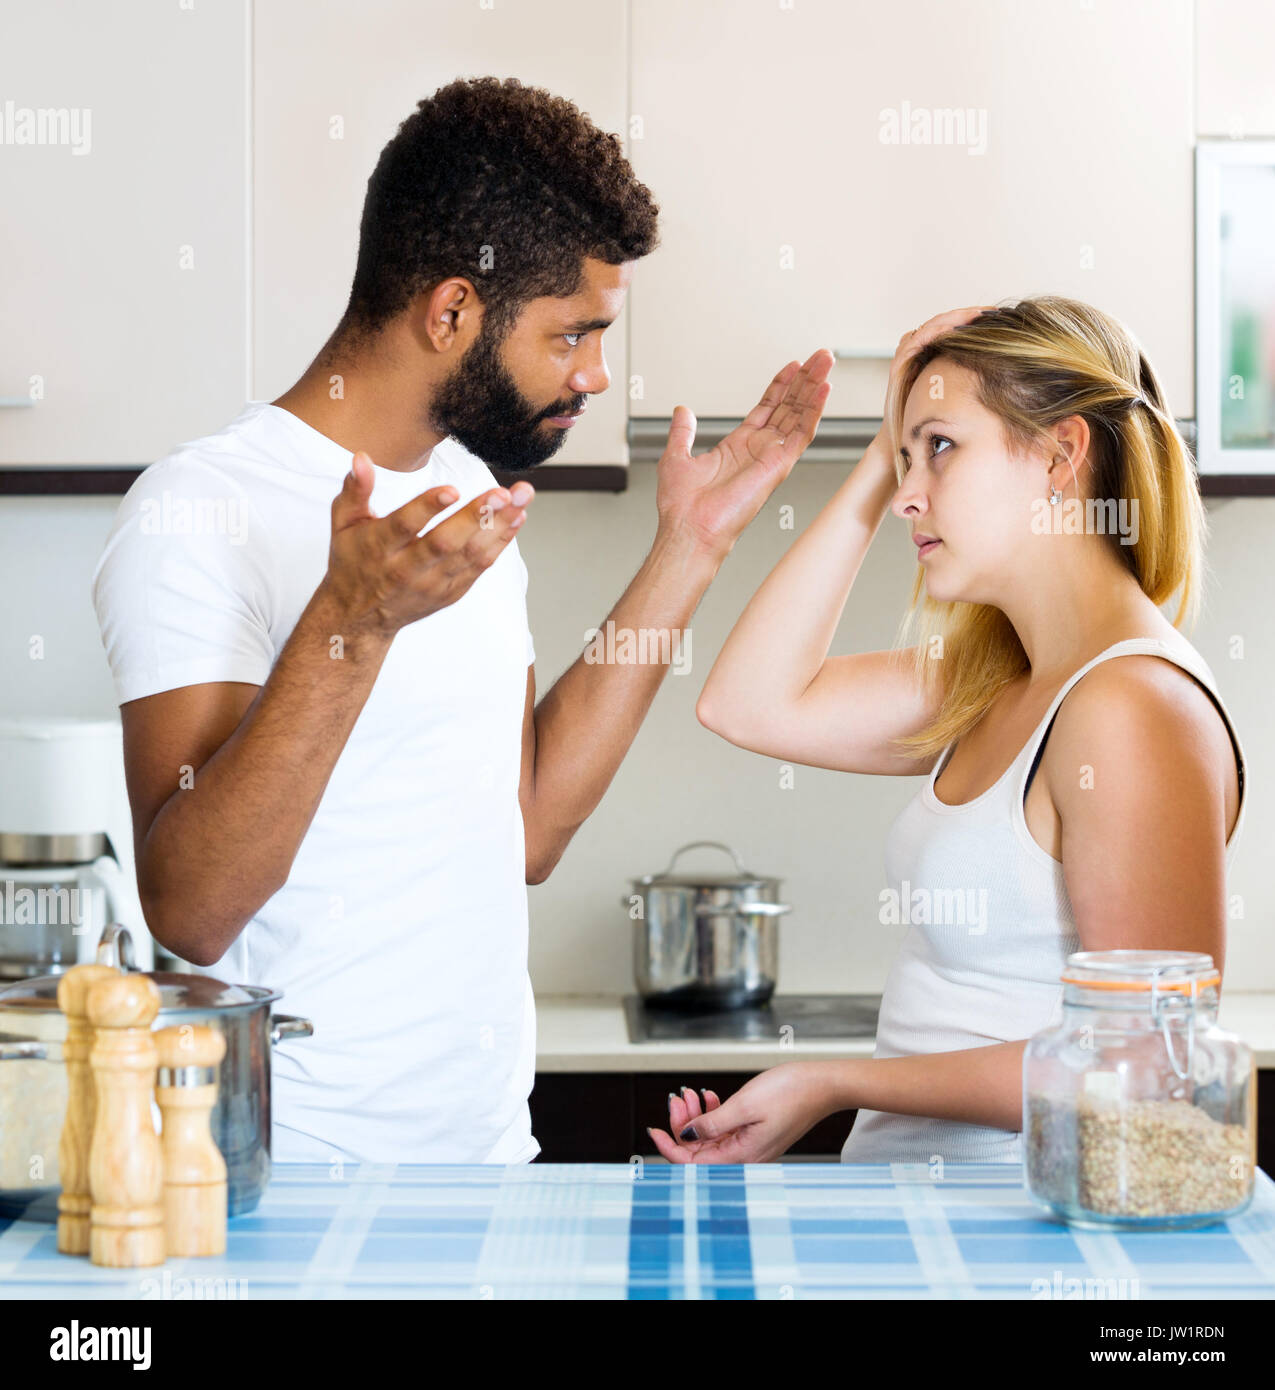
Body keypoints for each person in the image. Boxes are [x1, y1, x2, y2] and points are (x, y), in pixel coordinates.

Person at [91, 75, 832, 1164]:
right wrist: (352, 624)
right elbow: (191, 907)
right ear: (452, 311)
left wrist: (693, 546)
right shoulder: (199, 510)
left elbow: (522, 826)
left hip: (487, 1167)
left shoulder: (469, 494)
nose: (595, 373)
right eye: (572, 335)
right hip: (290, 1187)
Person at [648, 297, 1247, 1165]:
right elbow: (744, 704)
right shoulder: (1002, 681)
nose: (907, 496)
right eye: (906, 456)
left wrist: (836, 1083)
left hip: (1019, 1240)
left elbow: (1150, 1063)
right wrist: (887, 449)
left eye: (941, 447)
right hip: (923, 1227)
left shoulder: (1130, 705)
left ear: (1058, 455)